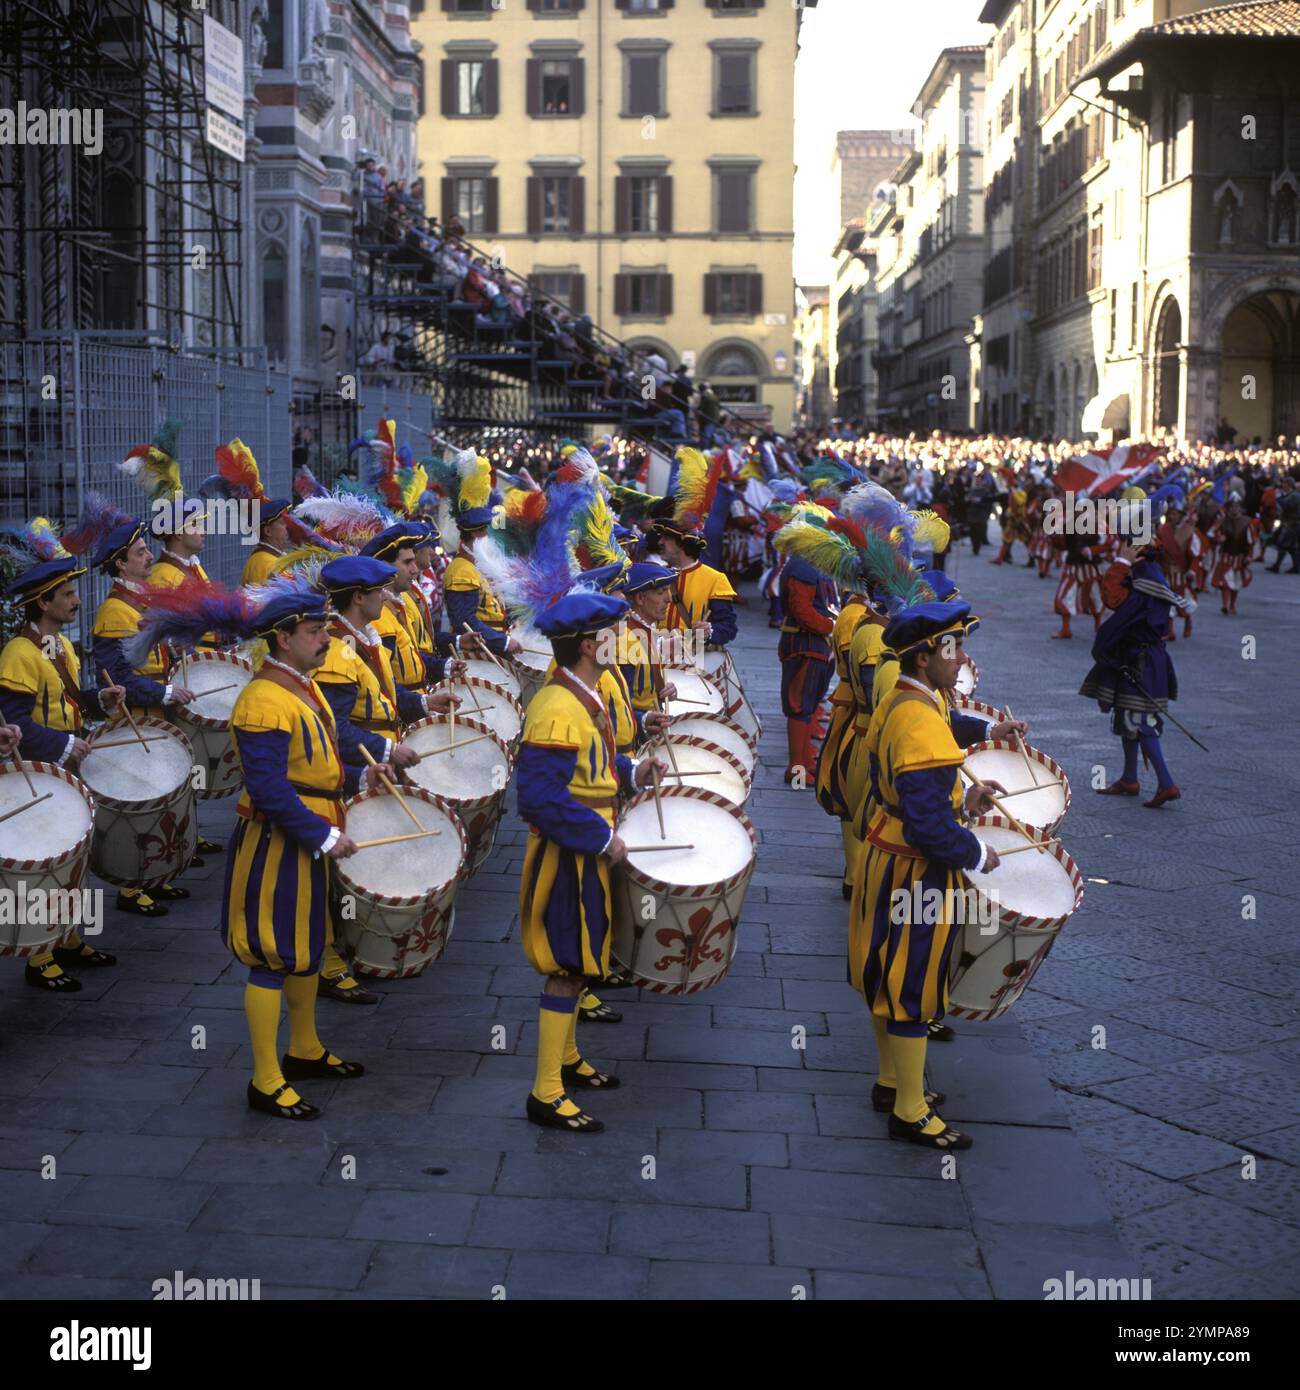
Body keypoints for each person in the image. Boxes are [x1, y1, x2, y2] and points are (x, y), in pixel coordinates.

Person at [848, 601, 1004, 1150]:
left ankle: (893, 1083)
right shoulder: (920, 718)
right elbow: (929, 830)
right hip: (915, 874)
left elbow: (914, 797)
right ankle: (910, 1111)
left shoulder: (903, 700)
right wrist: (978, 852)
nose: (961, 658)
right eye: (951, 649)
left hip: (883, 858)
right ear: (923, 657)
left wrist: (963, 798)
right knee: (912, 981)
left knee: (883, 972)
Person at [515, 591, 667, 1133]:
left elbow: (591, 765)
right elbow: (536, 798)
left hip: (587, 843)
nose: (623, 641)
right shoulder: (557, 708)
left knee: (580, 961)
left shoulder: (585, 692)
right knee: (566, 964)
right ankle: (546, 1091)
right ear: (588, 644)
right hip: (569, 853)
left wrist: (630, 773)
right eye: (613, 633)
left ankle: (568, 1058)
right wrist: (601, 838)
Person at [312, 555, 462, 1005]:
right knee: (339, 871)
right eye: (379, 590)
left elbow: (379, 696)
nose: (387, 594)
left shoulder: (357, 640)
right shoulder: (338, 652)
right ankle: (329, 962)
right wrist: (385, 751)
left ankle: (353, 947)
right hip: (347, 772)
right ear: (358, 597)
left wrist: (423, 704)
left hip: (372, 762)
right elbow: (332, 729)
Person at [0, 530, 125, 990]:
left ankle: (69, 937)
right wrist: (65, 746)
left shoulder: (63, 648)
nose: (76, 600)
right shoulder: (18, 655)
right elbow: (17, 726)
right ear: (43, 603)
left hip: (63, 767)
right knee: (50, 862)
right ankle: (40, 956)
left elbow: (69, 705)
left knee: (75, 858)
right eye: (67, 595)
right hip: (38, 774)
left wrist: (101, 700)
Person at [1080, 539, 1193, 809]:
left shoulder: (1142, 583)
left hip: (1141, 661)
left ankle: (1167, 784)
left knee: (1140, 722)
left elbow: (1112, 597)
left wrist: (1121, 563)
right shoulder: (1150, 575)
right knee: (1126, 717)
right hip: (1143, 657)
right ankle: (1130, 779)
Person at [775, 548, 836, 786]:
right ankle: (797, 771)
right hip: (805, 642)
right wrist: (831, 625)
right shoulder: (804, 567)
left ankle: (805, 761)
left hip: (813, 642)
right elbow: (802, 610)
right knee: (799, 707)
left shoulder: (810, 562)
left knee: (808, 704)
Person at [240, 499, 293, 587]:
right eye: (283, 523)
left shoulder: (268, 557)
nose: (289, 527)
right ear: (268, 531)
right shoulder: (266, 563)